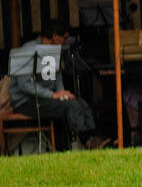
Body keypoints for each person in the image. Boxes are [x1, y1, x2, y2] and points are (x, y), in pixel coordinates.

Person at [7, 19, 108, 150]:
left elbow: (57, 76)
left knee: (81, 103)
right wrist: (53, 95)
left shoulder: (54, 50)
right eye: (64, 38)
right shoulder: (28, 49)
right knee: (70, 106)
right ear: (55, 37)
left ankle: (94, 137)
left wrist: (62, 93)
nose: (66, 42)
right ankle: (87, 141)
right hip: (26, 101)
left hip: (45, 98)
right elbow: (24, 85)